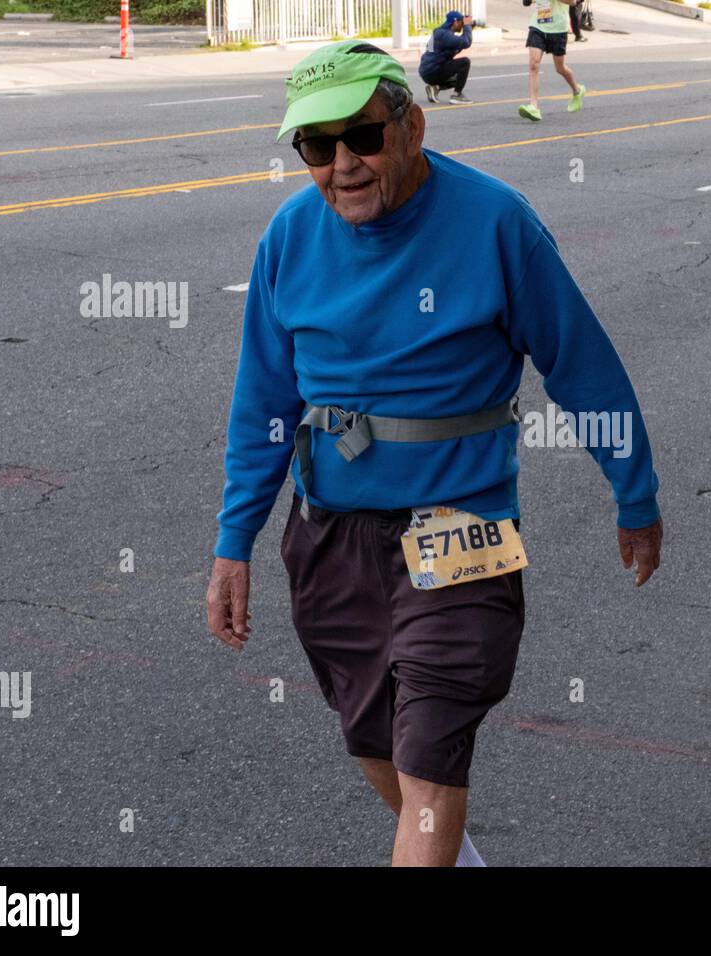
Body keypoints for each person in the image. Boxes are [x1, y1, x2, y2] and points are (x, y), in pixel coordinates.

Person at [205, 41, 663, 868]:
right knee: (376, 741)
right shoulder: (289, 238)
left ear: (411, 125)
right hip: (332, 537)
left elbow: (582, 367)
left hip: (462, 533)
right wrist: (232, 544)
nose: (342, 165)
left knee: (429, 757)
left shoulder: (495, 223)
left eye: (363, 138)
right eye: (316, 146)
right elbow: (263, 406)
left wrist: (636, 494)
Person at [519, 0, 585, 122]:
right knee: (534, 64)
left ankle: (577, 90)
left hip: (558, 28)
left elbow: (573, 2)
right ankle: (533, 107)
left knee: (560, 68)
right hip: (538, 25)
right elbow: (526, 2)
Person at [419, 10, 475, 104]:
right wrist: (467, 27)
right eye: (461, 22)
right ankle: (456, 95)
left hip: (429, 70)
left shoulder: (440, 33)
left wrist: (468, 28)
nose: (462, 25)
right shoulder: (444, 35)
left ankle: (435, 87)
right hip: (433, 70)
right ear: (455, 22)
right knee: (465, 62)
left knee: (458, 77)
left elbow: (457, 46)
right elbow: (466, 42)